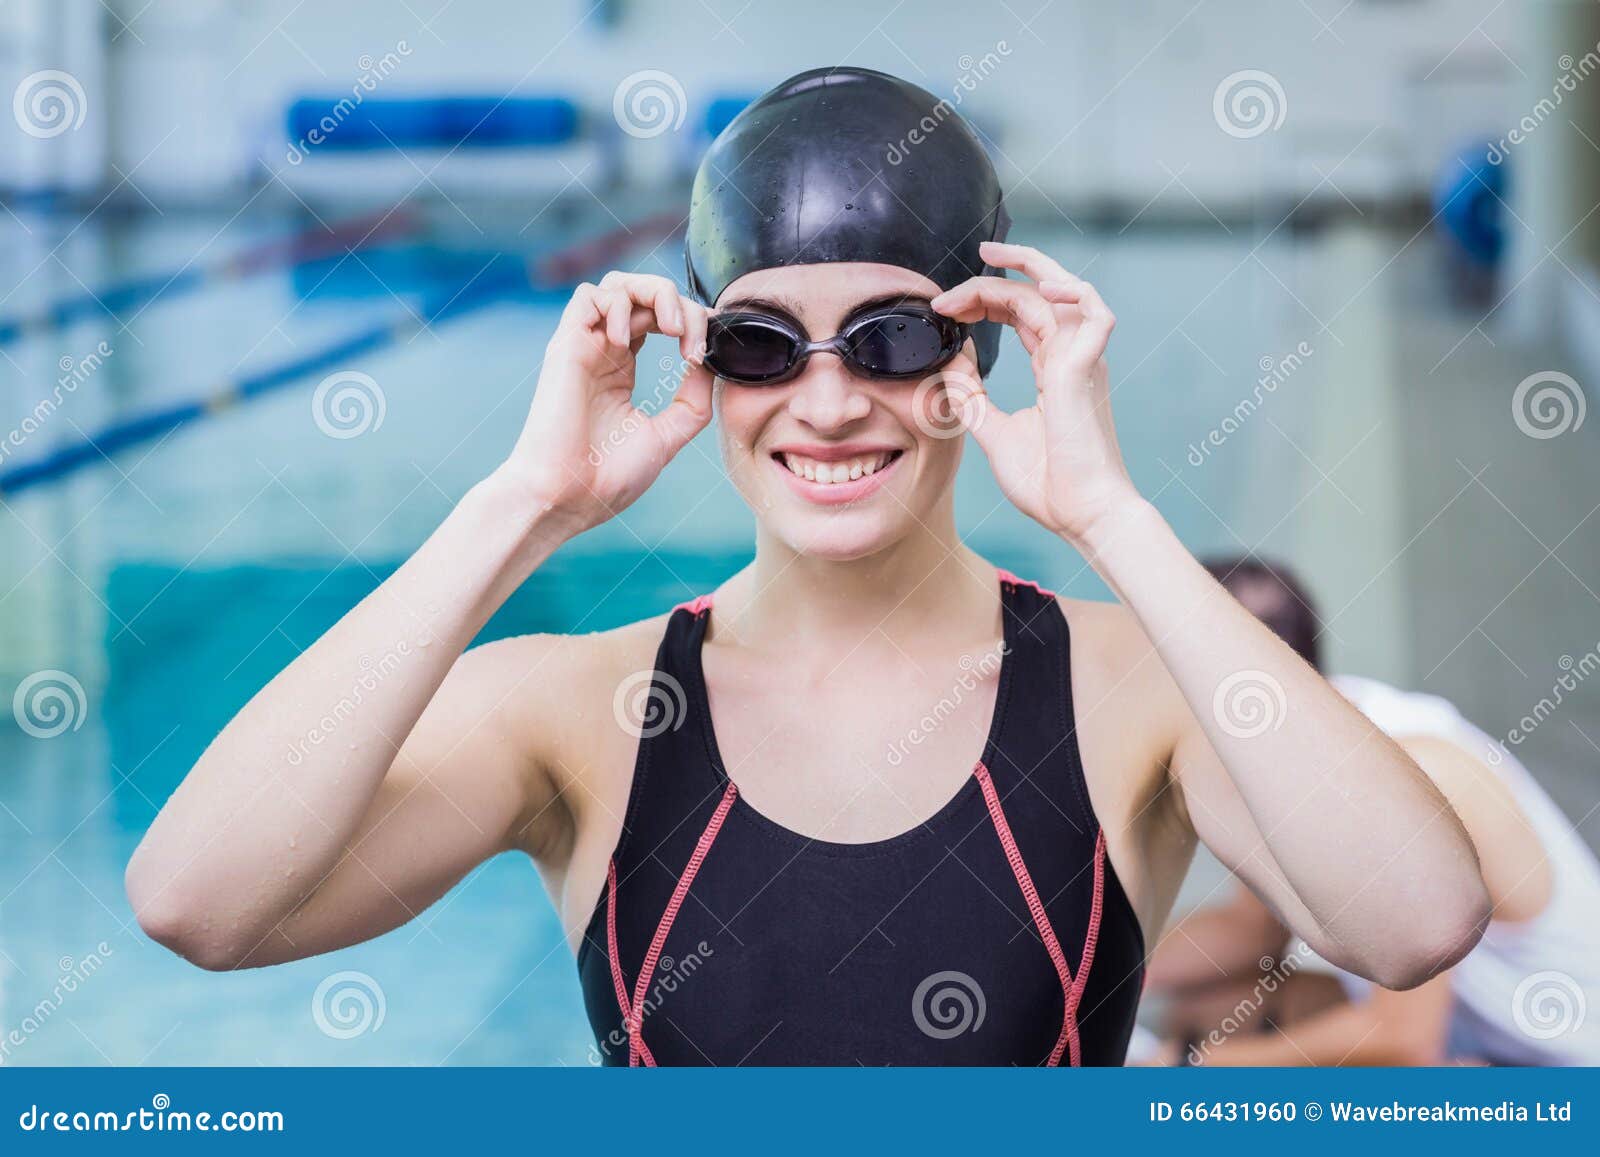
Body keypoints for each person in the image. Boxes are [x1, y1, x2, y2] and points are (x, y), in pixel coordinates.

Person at [123, 68, 1490, 1067]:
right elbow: (198, 903)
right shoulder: (581, 712)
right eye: (765, 345)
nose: (828, 405)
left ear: (977, 357)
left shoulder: (1127, 688)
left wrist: (1113, 517)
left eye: (893, 338)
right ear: (704, 365)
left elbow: (1416, 919)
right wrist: (520, 509)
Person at [1144, 557, 1600, 1066]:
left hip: (1568, 1071)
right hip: (1476, 1038)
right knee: (1209, 1003)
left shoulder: (1405, 783)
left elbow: (1402, 1041)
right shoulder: (1298, 741)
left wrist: (1189, 1068)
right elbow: (1252, 931)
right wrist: (1103, 973)